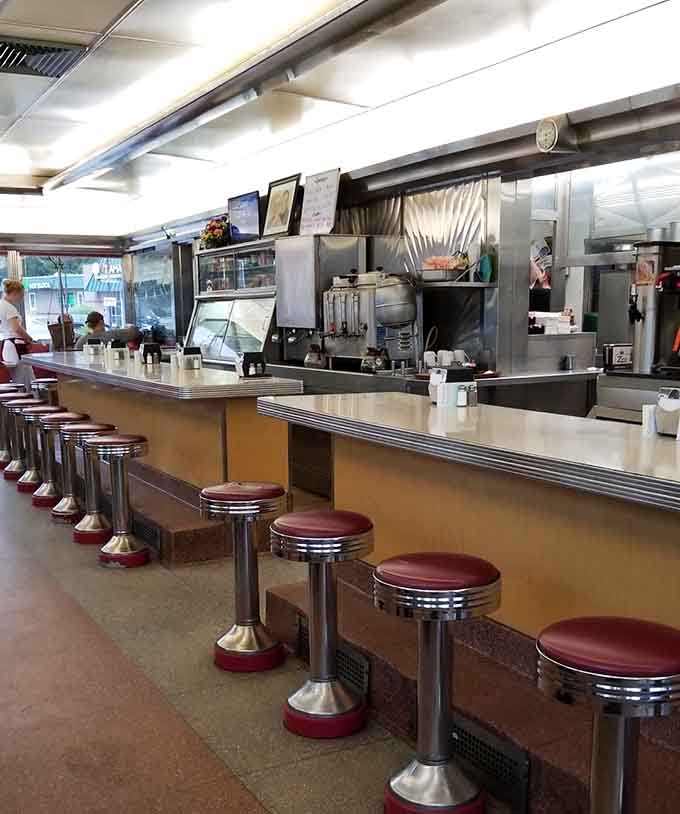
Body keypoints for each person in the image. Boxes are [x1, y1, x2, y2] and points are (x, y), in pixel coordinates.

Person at [0, 279, 33, 366]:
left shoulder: (1, 305)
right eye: (21, 295)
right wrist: (29, 338)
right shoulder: (9, 308)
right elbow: (16, 328)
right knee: (24, 376)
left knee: (18, 375)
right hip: (15, 344)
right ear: (14, 293)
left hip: (6, 344)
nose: (21, 298)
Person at [75, 311, 142, 350]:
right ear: (101, 322)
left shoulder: (82, 340)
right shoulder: (111, 335)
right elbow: (135, 332)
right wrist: (128, 326)